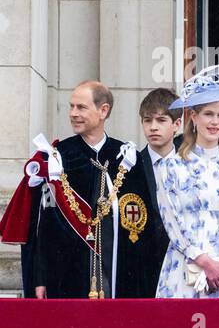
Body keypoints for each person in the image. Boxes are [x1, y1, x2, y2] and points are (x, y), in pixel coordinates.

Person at [0, 80, 157, 298]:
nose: (73, 113)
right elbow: (41, 225)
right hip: (65, 275)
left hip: (118, 274)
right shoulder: (57, 158)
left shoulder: (127, 158)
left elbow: (144, 225)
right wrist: (40, 277)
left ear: (103, 110)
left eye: (81, 107)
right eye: (71, 106)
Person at [154, 66, 219, 299]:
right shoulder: (171, 167)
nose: (215, 122)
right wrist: (203, 260)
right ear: (193, 117)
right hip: (184, 269)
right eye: (208, 114)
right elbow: (171, 222)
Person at [138, 88, 182, 293]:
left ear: (177, 124)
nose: (153, 127)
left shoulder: (190, 167)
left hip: (180, 265)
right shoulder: (131, 166)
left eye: (161, 120)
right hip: (141, 267)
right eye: (148, 120)